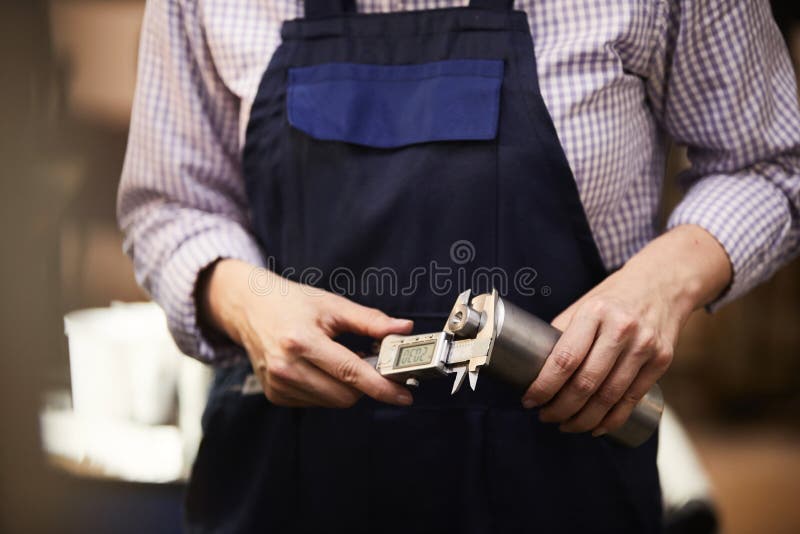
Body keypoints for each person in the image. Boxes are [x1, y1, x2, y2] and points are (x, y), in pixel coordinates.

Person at [117, 1, 800, 532]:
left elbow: (771, 165)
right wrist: (241, 299)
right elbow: (171, 204)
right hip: (288, 482)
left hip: (560, 483)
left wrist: (664, 282)